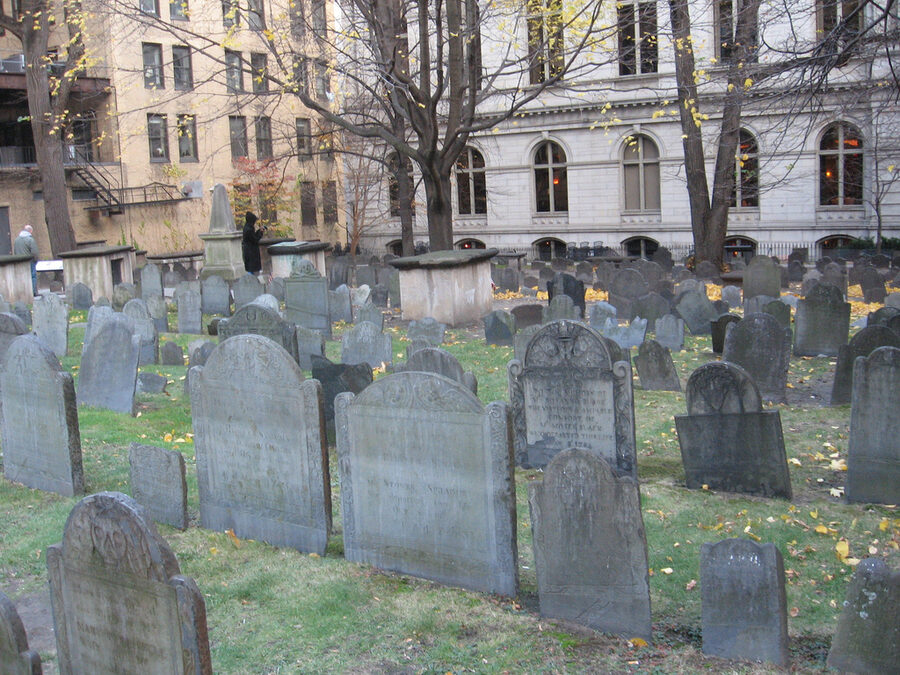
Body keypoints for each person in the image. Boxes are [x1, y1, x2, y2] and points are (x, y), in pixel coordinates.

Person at [13, 224, 39, 295]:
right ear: (30, 231)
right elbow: (35, 252)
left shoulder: (17, 240)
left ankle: (22, 292)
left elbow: (15, 251)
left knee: (21, 277)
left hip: (19, 261)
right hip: (29, 261)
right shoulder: (30, 239)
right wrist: (36, 260)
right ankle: (33, 292)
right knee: (32, 276)